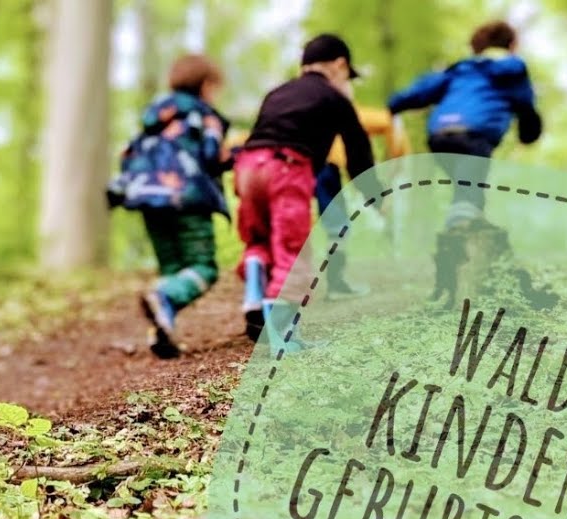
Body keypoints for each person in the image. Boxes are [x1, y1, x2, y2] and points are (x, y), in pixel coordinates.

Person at [234, 34, 383, 350]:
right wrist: (375, 196)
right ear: (340, 65)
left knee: (260, 238)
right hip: (287, 168)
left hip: (248, 166)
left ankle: (255, 266)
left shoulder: (277, 93)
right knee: (293, 251)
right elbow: (358, 152)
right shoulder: (334, 98)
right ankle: (284, 339)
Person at [107, 54, 235, 359]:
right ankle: (163, 298)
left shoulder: (152, 120)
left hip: (148, 199)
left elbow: (127, 155)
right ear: (206, 86)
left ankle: (160, 329)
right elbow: (211, 155)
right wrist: (236, 156)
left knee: (173, 268)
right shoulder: (205, 116)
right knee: (203, 267)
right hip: (187, 199)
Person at [387, 20, 542, 228]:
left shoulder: (460, 70)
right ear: (512, 46)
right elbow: (525, 104)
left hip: (439, 136)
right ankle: (462, 240)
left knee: (468, 189)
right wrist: (529, 132)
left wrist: (394, 105)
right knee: (468, 195)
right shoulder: (513, 70)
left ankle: (474, 230)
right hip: (475, 137)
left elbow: (421, 91)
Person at [315, 78, 411, 298]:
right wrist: (398, 155)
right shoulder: (346, 110)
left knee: (331, 224)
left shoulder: (309, 107)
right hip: (327, 169)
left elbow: (389, 122)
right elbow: (390, 121)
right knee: (337, 225)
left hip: (296, 168)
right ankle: (335, 283)